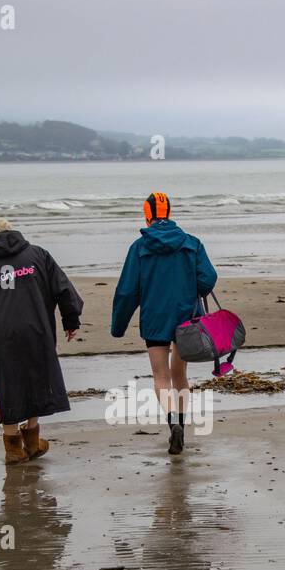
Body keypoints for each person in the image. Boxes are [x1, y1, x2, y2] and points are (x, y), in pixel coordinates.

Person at [0, 218, 83, 464]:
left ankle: (13, 444)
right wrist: (71, 320)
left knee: (7, 381)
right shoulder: (38, 255)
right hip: (36, 330)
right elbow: (63, 289)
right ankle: (31, 440)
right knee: (36, 378)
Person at [111, 192, 218, 455]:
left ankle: (173, 424)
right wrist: (191, 288)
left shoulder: (139, 247)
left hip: (155, 318)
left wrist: (119, 326)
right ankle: (181, 422)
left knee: (161, 376)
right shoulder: (191, 243)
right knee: (180, 374)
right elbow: (208, 278)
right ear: (169, 213)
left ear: (147, 214)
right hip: (187, 319)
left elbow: (127, 291)